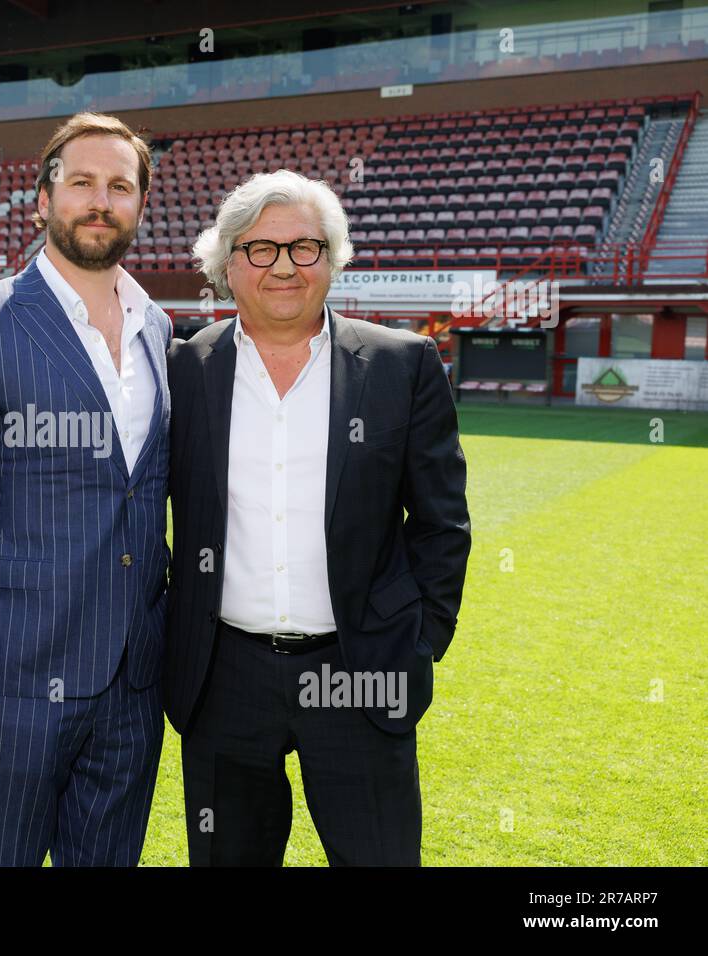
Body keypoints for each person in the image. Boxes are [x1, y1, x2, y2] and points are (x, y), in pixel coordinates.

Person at [165, 169, 471, 866]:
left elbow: (442, 523)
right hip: (222, 677)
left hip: (360, 668)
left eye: (305, 247)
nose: (285, 266)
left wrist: (420, 639)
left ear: (331, 259)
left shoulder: (402, 364)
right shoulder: (185, 367)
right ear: (227, 265)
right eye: (260, 249)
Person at [0, 112, 172, 866]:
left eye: (119, 186)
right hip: (17, 684)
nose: (100, 200)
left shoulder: (159, 328)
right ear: (43, 198)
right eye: (81, 182)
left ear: (139, 205)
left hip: (131, 684)